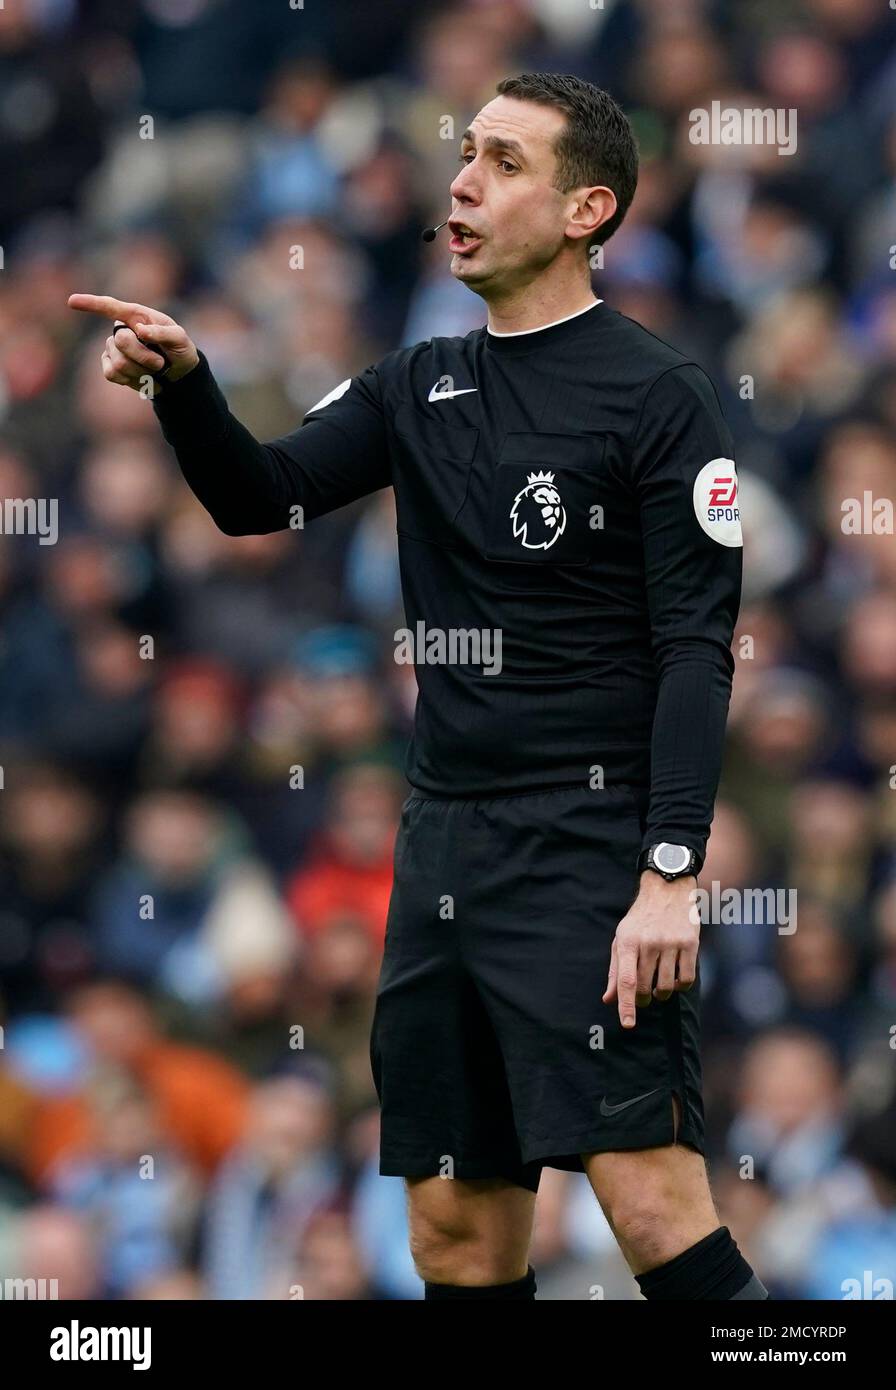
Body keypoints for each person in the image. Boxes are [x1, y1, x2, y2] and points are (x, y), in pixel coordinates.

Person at [69, 71, 763, 1301]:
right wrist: (187, 385)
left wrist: (668, 873)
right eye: (462, 153)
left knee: (651, 1204)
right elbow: (257, 497)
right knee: (451, 1230)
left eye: (502, 161)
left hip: (591, 848)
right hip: (443, 844)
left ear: (585, 209)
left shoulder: (661, 397)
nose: (459, 181)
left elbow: (696, 650)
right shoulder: (417, 380)